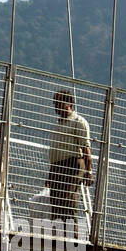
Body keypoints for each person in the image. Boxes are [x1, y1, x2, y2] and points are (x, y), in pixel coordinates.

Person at [45, 90, 92, 230]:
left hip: (72, 165)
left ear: (68, 103)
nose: (56, 106)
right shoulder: (58, 124)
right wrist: (50, 174)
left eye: (59, 103)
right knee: (56, 202)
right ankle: (58, 238)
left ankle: (72, 239)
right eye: (55, 103)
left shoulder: (79, 122)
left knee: (68, 200)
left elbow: (86, 150)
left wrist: (88, 171)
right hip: (57, 167)